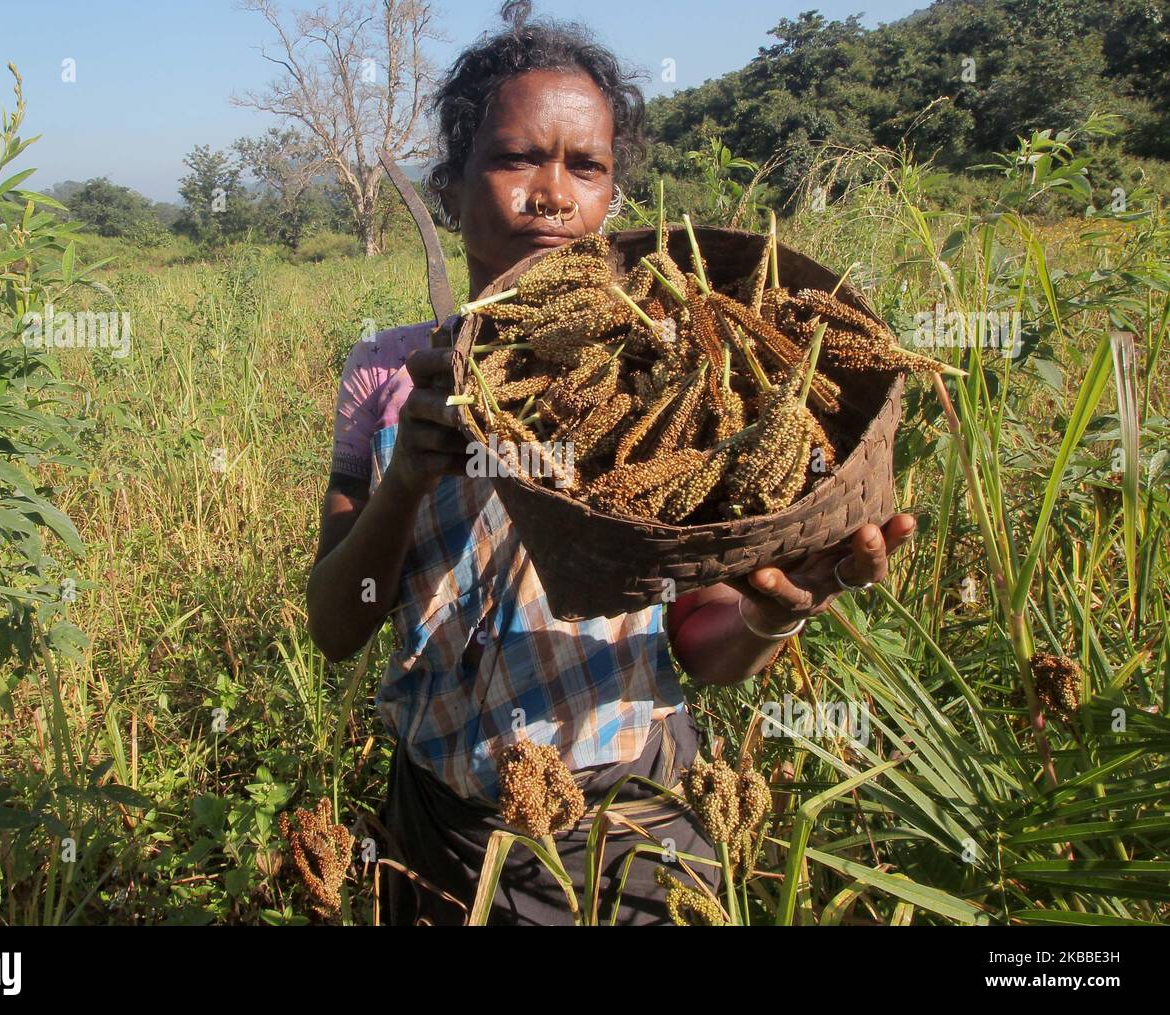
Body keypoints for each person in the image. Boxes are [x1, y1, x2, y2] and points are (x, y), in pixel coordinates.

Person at [306, 0, 915, 925]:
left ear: (609, 199)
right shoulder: (389, 373)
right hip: (441, 825)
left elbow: (702, 643)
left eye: (585, 166)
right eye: (516, 158)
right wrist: (407, 480)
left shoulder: (667, 378)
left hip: (628, 828)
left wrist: (768, 615)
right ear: (451, 186)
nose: (552, 193)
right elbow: (337, 625)